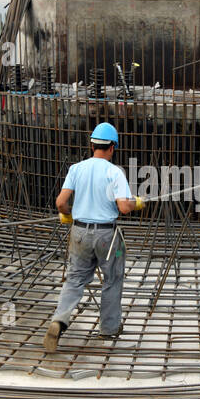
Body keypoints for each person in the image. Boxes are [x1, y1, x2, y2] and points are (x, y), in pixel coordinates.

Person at [43, 123, 145, 351]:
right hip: (106, 236)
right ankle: (109, 329)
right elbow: (124, 208)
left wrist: (68, 215)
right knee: (112, 278)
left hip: (79, 233)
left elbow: (60, 202)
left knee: (75, 279)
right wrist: (136, 202)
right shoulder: (114, 172)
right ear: (112, 147)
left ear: (92, 145)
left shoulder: (76, 168)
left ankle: (59, 320)